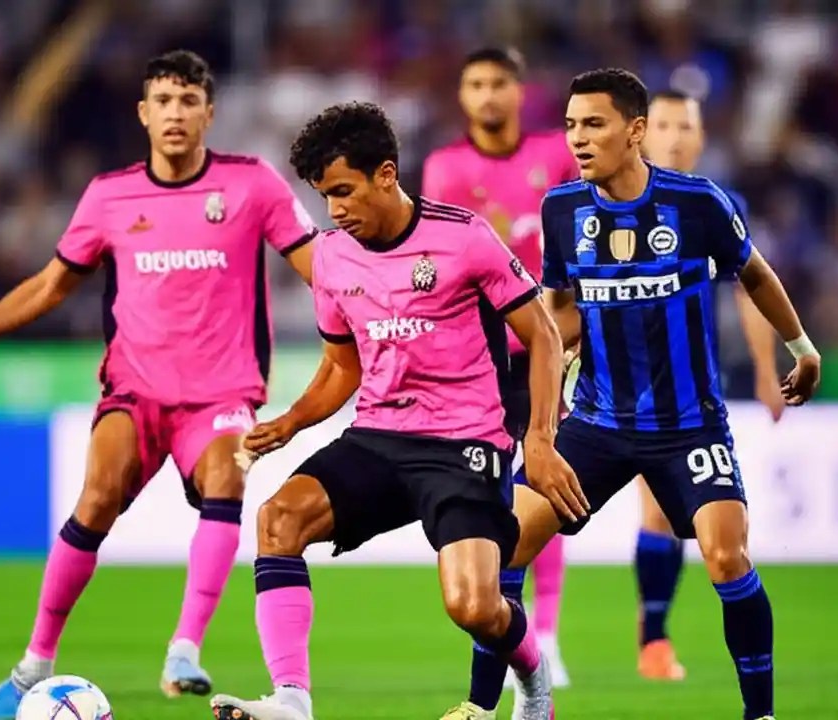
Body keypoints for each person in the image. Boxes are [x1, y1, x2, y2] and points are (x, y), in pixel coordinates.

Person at [0, 51, 318, 719]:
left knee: (228, 476)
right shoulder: (109, 195)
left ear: (210, 113)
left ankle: (185, 648)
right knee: (97, 497)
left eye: (189, 101)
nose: (176, 114)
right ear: (143, 113)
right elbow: (50, 286)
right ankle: (32, 665)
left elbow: (318, 268)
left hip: (222, 395)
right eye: (164, 101)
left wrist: (376, 311)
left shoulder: (252, 186)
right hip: (134, 391)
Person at [208, 101, 585, 720]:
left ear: (386, 174)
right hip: (380, 435)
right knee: (278, 520)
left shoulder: (463, 237)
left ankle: (534, 678)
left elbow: (543, 333)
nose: (334, 211)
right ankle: (291, 700)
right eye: (324, 197)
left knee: (474, 607)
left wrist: (538, 439)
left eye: (343, 191)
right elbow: (341, 368)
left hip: (465, 444)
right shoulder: (332, 257)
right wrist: (292, 421)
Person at [477, 68, 820, 720]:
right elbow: (558, 314)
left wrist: (801, 349)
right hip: (598, 423)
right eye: (572, 125)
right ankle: (501, 701)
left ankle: (761, 714)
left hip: (690, 424)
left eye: (594, 124)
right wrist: (545, 378)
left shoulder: (698, 204)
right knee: (507, 543)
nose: (578, 138)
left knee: (726, 555)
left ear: (635, 131)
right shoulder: (562, 209)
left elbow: (757, 275)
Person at [421, 47, 580, 703]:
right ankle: (514, 644)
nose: (488, 95)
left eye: (498, 83)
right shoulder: (444, 167)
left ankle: (547, 633)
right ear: (463, 96)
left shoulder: (557, 157)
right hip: (478, 360)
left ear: (520, 91)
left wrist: (574, 332)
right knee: (494, 506)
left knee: (539, 486)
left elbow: (580, 251)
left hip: (547, 349)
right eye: (475, 83)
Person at [629, 89, 786, 681]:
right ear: (642, 130)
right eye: (663, 123)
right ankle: (653, 639)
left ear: (700, 137)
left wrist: (768, 369)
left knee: (693, 526)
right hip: (620, 388)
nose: (673, 136)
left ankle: (654, 638)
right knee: (657, 515)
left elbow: (751, 289)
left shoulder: (716, 203)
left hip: (693, 388)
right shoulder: (612, 198)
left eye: (684, 125)